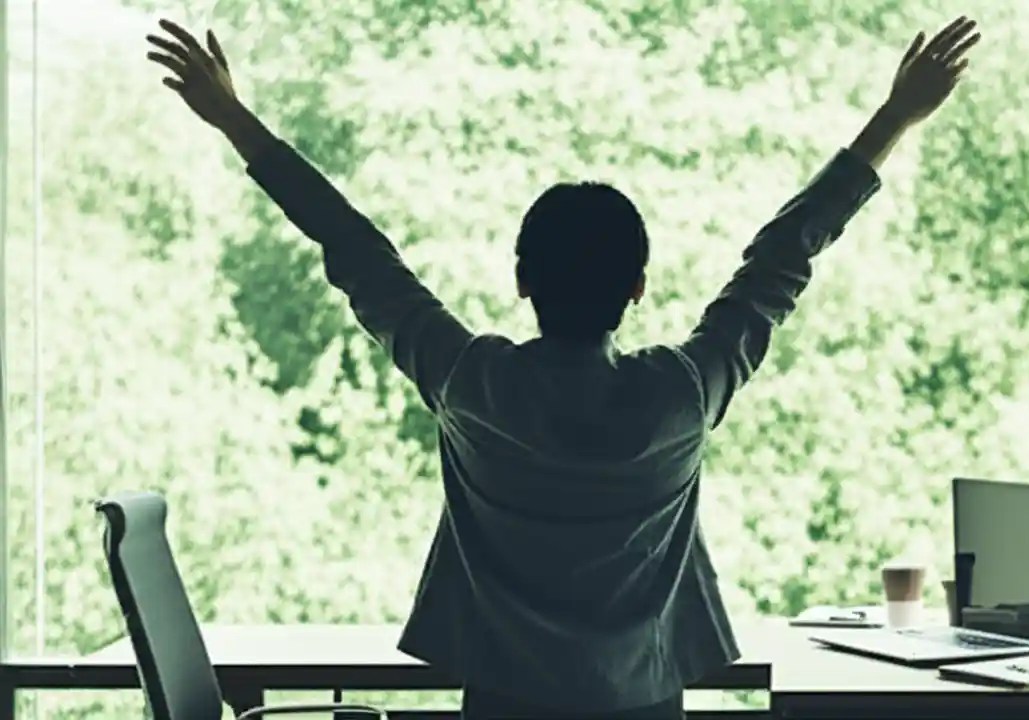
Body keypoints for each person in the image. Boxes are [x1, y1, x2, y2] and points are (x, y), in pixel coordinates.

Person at [145, 14, 980, 720]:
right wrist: (894, 119)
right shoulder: (679, 398)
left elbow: (354, 248)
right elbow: (782, 261)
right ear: (639, 289)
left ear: (521, 282)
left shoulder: (472, 385)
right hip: (645, 704)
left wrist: (234, 119)